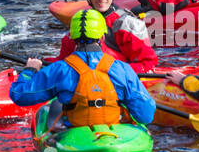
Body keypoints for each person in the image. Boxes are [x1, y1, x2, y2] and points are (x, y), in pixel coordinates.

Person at [9, 9, 157, 129]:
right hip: (116, 134)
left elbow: (19, 95)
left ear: (72, 38)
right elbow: (146, 115)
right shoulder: (122, 69)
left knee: (48, 110)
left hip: (74, 134)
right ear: (102, 37)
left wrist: (29, 71)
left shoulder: (59, 70)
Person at [52, 0, 157, 72]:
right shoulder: (80, 21)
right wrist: (41, 63)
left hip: (116, 79)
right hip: (87, 76)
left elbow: (147, 64)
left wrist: (111, 70)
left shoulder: (128, 24)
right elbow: (62, 60)